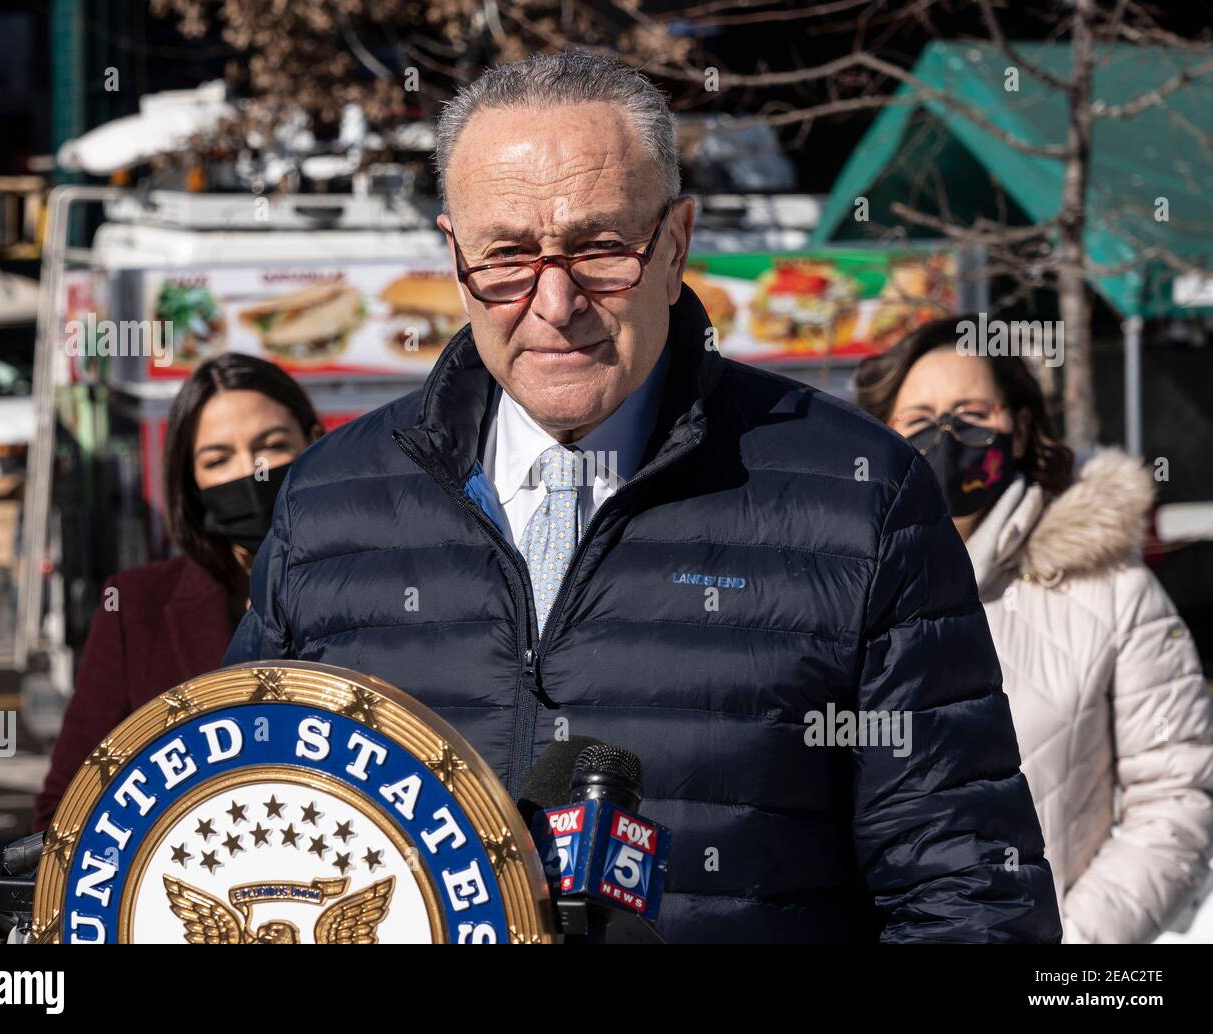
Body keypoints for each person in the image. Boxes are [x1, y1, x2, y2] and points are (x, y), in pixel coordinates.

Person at [224, 50, 1061, 942]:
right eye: (506, 256)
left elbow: (969, 900)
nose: (554, 302)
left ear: (675, 245)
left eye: (599, 249)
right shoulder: (329, 503)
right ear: (453, 255)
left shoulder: (861, 502)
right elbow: (237, 827)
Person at [855, 314, 1213, 943]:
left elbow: (1178, 795)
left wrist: (1069, 946)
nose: (945, 436)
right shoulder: (841, 592)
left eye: (970, 413)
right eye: (918, 420)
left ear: (1019, 429)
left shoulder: (1113, 593)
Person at [31, 354, 322, 831]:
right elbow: (64, 809)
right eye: (218, 459)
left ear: (314, 443)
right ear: (190, 480)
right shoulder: (136, 606)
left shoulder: (371, 587)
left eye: (271, 446)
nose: (252, 473)